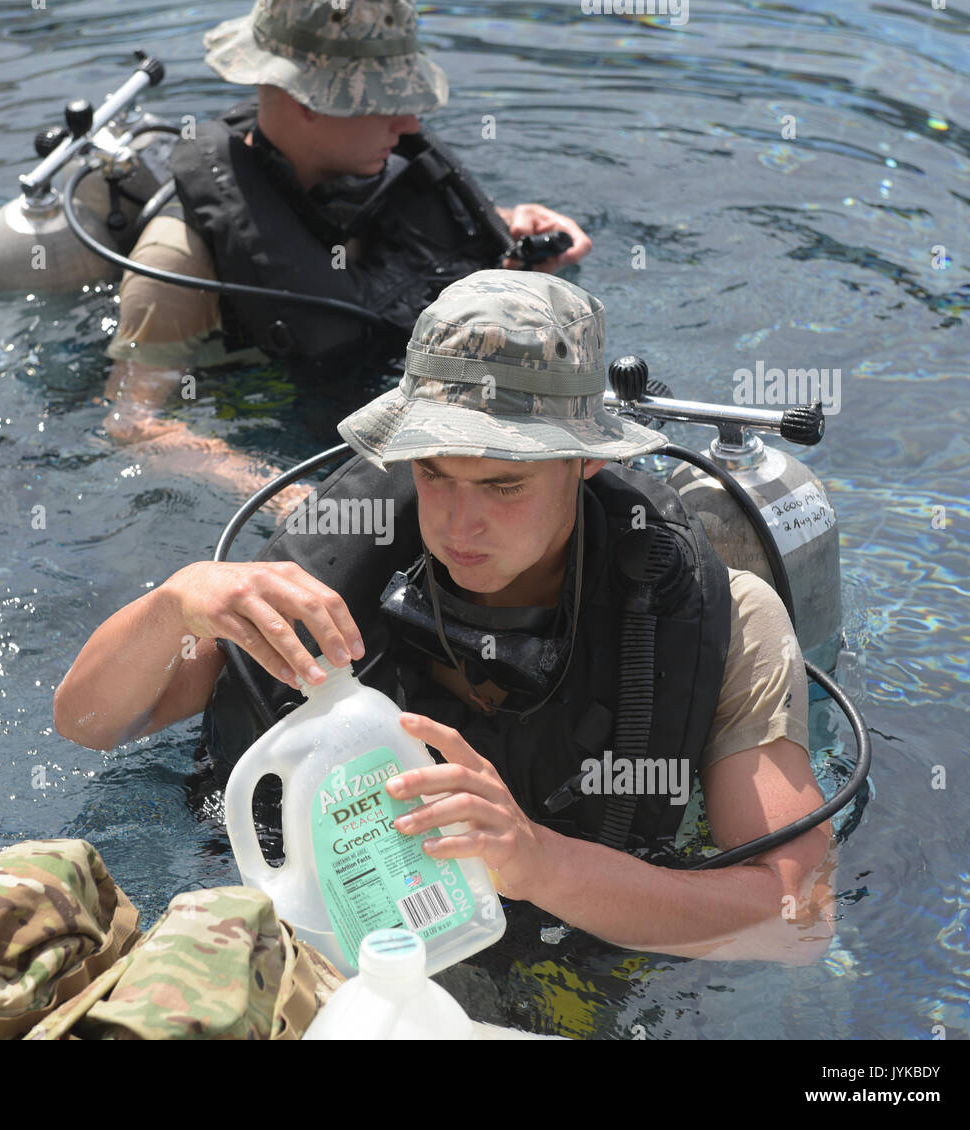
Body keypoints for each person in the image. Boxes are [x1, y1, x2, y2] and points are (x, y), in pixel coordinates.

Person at [58, 270, 836, 965]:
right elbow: (90, 722)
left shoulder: (725, 620)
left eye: (503, 486)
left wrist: (539, 862)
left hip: (557, 972)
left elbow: (797, 920)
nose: (460, 525)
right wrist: (174, 603)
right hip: (315, 936)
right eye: (434, 475)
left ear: (588, 460)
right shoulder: (331, 574)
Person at [102, 0, 592, 506]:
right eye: (384, 102)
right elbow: (131, 424)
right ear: (310, 101)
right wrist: (285, 497)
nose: (407, 124)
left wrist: (512, 224)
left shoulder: (370, 176)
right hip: (260, 405)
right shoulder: (176, 265)